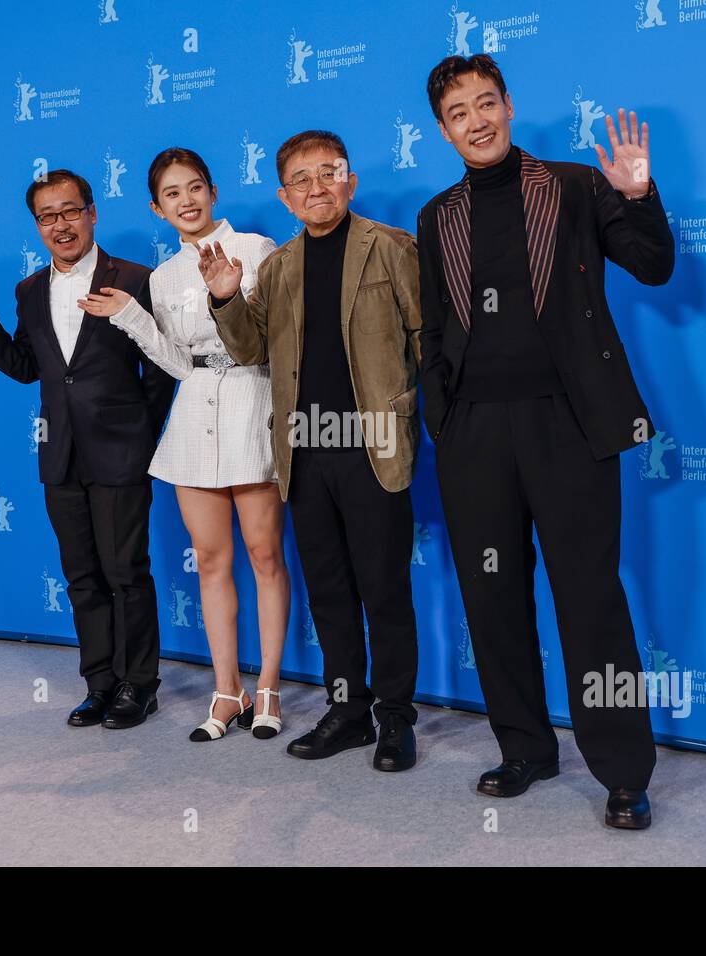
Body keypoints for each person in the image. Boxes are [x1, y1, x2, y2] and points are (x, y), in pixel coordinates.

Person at [417, 55, 673, 828]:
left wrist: (640, 195)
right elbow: (432, 328)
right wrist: (446, 422)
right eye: (459, 111)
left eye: (486, 103)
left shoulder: (571, 186)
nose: (477, 120)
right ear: (443, 128)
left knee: (591, 600)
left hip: (568, 423)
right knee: (492, 599)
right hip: (475, 436)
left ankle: (624, 772)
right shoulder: (436, 217)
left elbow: (654, 267)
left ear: (509, 106)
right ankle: (524, 746)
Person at [197, 130, 423, 772]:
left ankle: (396, 719)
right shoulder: (276, 267)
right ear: (285, 196)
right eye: (302, 178)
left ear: (349, 180)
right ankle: (348, 712)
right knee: (328, 588)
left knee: (384, 590)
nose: (317, 186)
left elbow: (426, 339)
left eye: (330, 173)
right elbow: (249, 349)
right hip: (305, 450)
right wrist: (223, 297)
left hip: (373, 444)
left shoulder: (392, 247)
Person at [80, 148, 290, 742]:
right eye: (173, 194)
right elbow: (177, 363)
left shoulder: (257, 250)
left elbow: (273, 344)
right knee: (213, 562)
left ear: (213, 191)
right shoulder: (163, 278)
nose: (187, 201)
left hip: (253, 405)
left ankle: (269, 685)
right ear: (156, 207)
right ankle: (228, 691)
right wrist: (131, 317)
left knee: (265, 554)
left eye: (195, 187)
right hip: (194, 417)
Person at [0, 169, 175, 731]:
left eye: (70, 211)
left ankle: (139, 685)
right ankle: (100, 683)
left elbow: (159, 369)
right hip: (58, 455)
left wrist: (142, 436)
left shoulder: (133, 277)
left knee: (126, 572)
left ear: (92, 213)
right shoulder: (28, 290)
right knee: (81, 576)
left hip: (121, 452)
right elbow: (32, 369)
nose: (61, 224)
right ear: (37, 226)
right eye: (48, 216)